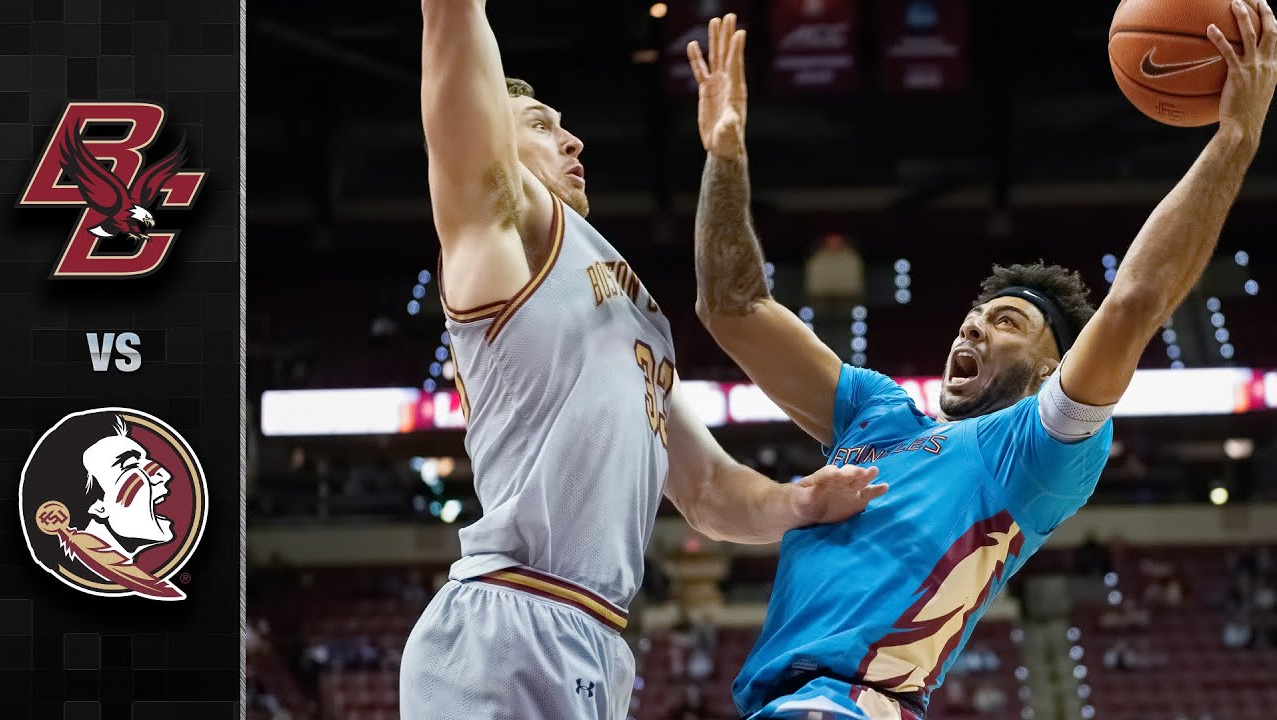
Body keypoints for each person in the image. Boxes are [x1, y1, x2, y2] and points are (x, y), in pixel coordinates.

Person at [685, 7, 1277, 718]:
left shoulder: (1032, 453)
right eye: (971, 320)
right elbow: (732, 307)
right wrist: (725, 155)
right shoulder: (875, 412)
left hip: (847, 703)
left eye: (1005, 323)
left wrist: (1235, 139)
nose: (973, 331)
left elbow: (1135, 302)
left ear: (1051, 362)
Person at [400, 3, 887, 719]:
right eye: (538, 123)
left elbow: (709, 489)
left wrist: (800, 502)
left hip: (596, 637)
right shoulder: (499, 231)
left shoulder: (634, 308)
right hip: (506, 619)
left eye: (563, 122)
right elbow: (451, 36)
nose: (570, 138)